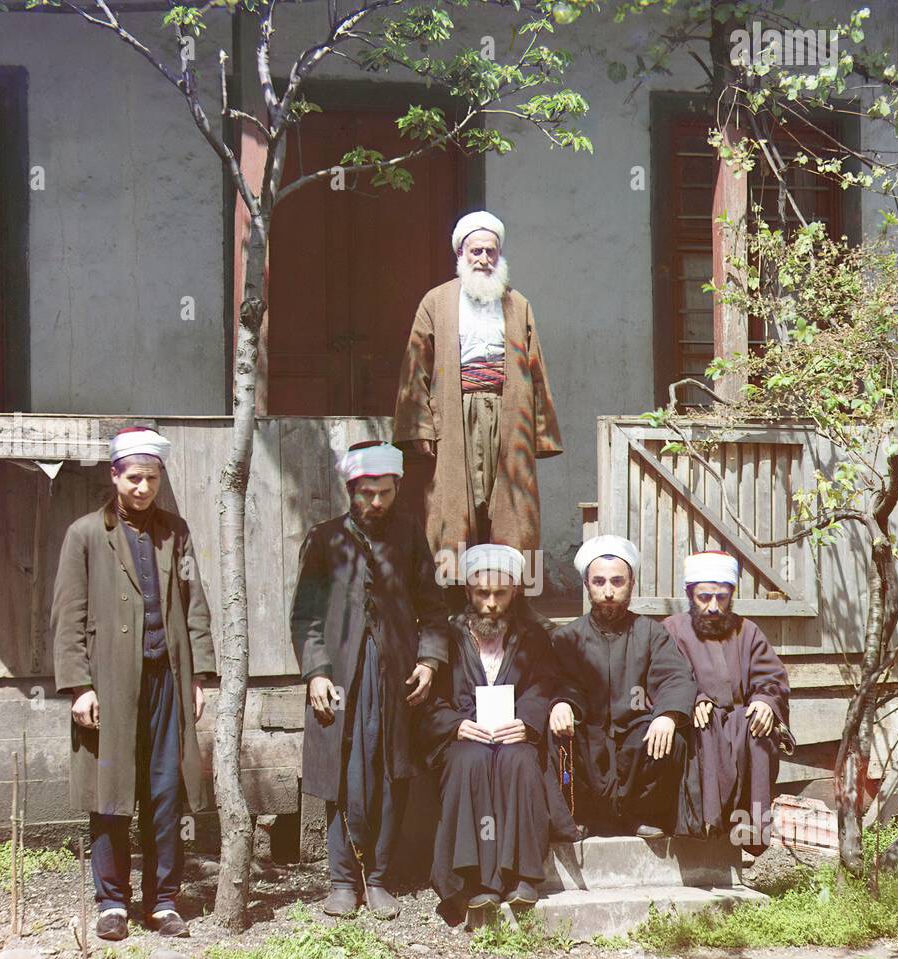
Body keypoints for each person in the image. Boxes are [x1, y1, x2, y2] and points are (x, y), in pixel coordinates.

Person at [52, 427, 216, 941]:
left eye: (151, 478)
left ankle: (164, 901)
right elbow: (68, 615)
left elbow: (194, 602)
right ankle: (112, 903)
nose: (143, 488)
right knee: (111, 791)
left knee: (165, 791)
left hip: (167, 679)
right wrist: (80, 685)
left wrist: (200, 675)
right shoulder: (84, 535)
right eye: (134, 478)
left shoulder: (176, 531)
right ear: (114, 476)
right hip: (109, 686)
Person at [290, 442, 449, 919]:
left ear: (397, 488)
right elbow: (305, 617)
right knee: (342, 774)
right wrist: (316, 672)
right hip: (340, 680)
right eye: (366, 494)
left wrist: (429, 661)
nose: (376, 503)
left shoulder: (409, 537)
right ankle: (342, 881)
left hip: (394, 678)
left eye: (384, 493)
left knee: (390, 773)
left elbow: (433, 609)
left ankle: (378, 878)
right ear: (351, 491)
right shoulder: (324, 540)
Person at [393, 210, 563, 581]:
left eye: (491, 252)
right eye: (475, 252)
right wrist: (420, 426)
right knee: (451, 506)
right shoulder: (436, 302)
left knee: (514, 508)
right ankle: (448, 597)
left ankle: (518, 597)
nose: (484, 260)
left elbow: (534, 368)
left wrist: (539, 429)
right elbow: (415, 367)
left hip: (508, 412)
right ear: (460, 255)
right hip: (455, 415)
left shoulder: (518, 304)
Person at [423, 544, 574, 915]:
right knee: (469, 762)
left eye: (500, 594)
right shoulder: (446, 638)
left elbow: (546, 685)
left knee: (520, 761)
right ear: (467, 591)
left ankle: (521, 875)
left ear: (515, 592)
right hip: (464, 738)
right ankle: (474, 880)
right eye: (481, 593)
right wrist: (456, 726)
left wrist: (526, 722)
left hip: (513, 735)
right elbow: (429, 701)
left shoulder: (534, 638)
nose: (491, 603)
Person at [549, 536, 697, 839]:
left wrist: (667, 715)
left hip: (635, 731)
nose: (608, 592)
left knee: (673, 740)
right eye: (599, 582)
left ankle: (640, 816)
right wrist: (560, 703)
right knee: (557, 738)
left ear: (631, 584)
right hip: (586, 731)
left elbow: (675, 677)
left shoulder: (652, 634)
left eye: (617, 581)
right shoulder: (566, 638)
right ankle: (579, 816)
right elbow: (555, 680)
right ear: (587, 586)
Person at [662, 551, 792, 848]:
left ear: (731, 595)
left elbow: (772, 678)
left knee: (760, 730)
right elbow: (663, 676)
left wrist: (764, 701)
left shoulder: (748, 631)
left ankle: (750, 835)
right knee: (700, 729)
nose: (712, 607)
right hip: (695, 723)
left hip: (740, 724)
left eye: (721, 598)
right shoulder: (671, 630)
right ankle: (702, 827)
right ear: (689, 594)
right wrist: (693, 698)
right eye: (703, 597)